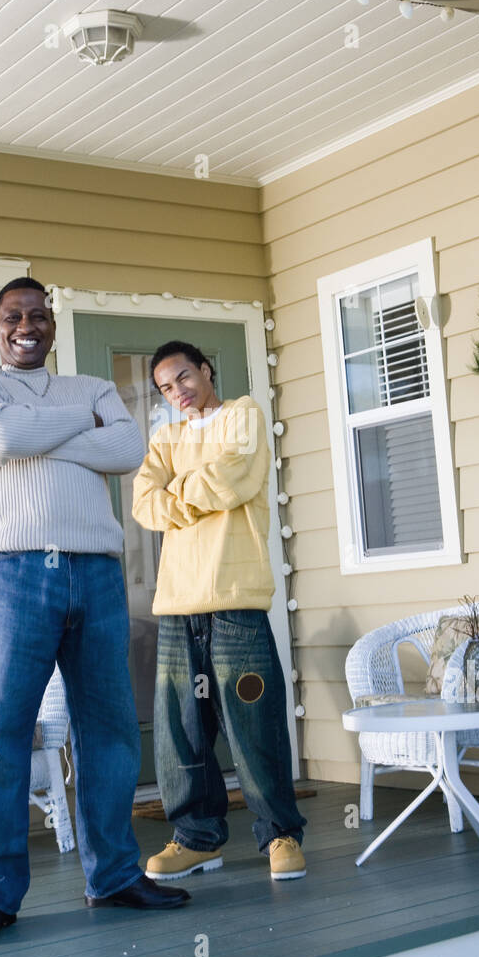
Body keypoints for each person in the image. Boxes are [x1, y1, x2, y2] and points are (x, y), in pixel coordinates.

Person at [0, 279, 190, 945]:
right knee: (2, 736)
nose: (28, 325)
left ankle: (113, 876)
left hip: (97, 573)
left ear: (53, 324)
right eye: (13, 316)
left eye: (39, 315)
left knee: (109, 730)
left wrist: (39, 437)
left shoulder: (89, 385)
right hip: (16, 572)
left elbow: (131, 450)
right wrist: (84, 429)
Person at [132, 341, 307, 883]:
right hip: (180, 606)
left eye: (183, 377)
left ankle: (279, 834)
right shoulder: (164, 439)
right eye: (165, 387)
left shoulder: (243, 415)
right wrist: (191, 497)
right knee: (180, 731)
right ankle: (197, 840)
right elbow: (143, 503)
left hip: (235, 601)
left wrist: (176, 497)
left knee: (253, 724)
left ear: (206, 371)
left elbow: (233, 477)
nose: (177, 392)